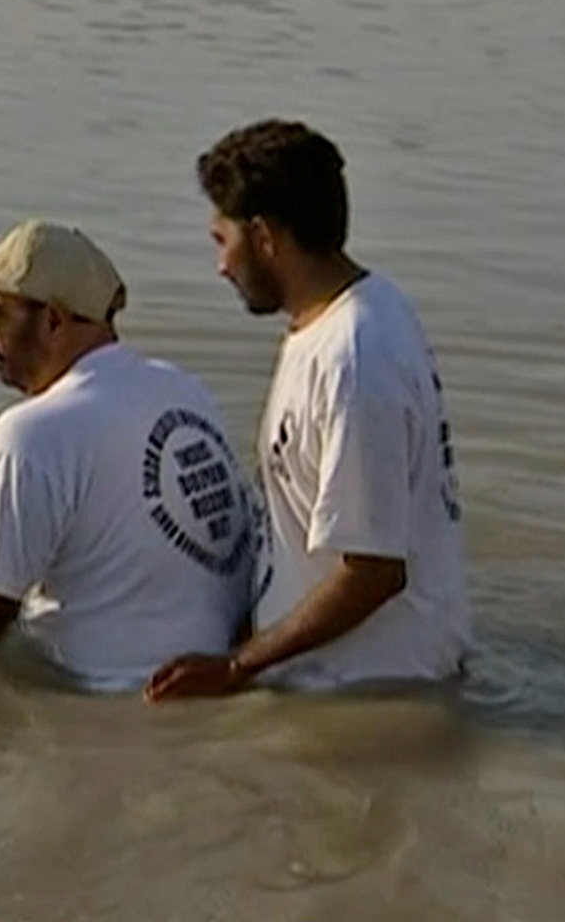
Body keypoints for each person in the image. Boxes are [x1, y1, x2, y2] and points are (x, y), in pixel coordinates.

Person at [146, 119, 471, 700]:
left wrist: (236, 667)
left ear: (265, 236)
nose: (221, 266)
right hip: (331, 676)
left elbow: (373, 573)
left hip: (367, 690)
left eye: (223, 241)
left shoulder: (355, 356)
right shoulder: (338, 321)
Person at [0, 219, 260, 693]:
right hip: (213, 679)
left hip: (100, 700)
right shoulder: (184, 390)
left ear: (53, 319)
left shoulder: (31, 435)